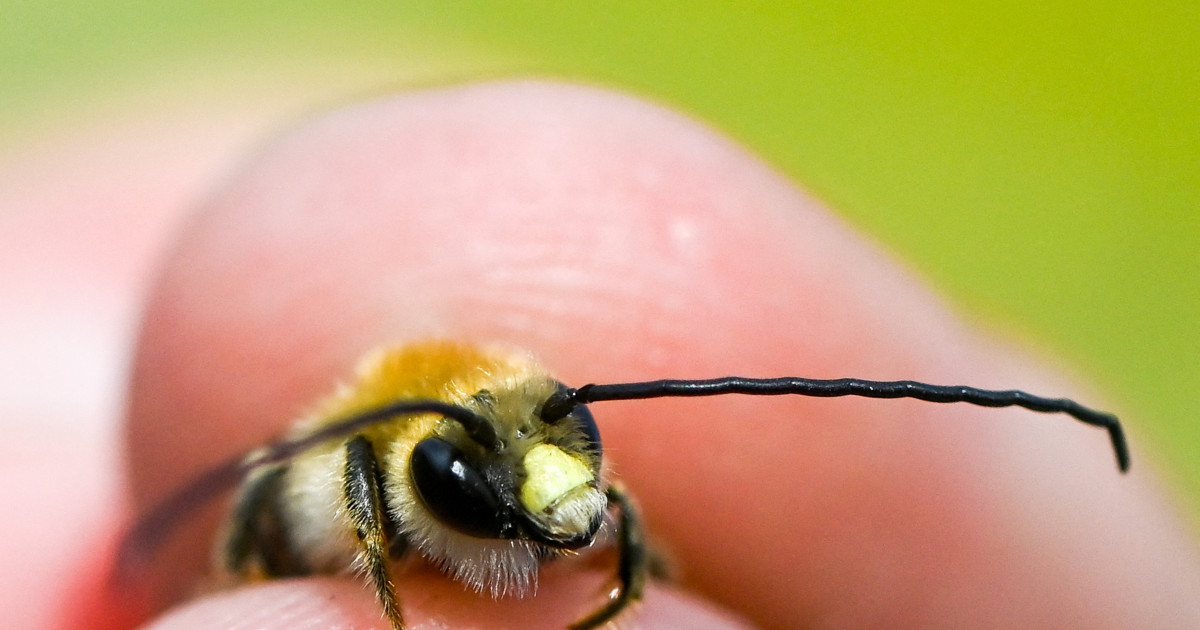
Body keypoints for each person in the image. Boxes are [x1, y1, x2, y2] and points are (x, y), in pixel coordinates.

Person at [74, 81, 1200, 629]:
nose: (554, 491)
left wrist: (619, 591)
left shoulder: (545, 446)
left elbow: (610, 507)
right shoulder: (377, 456)